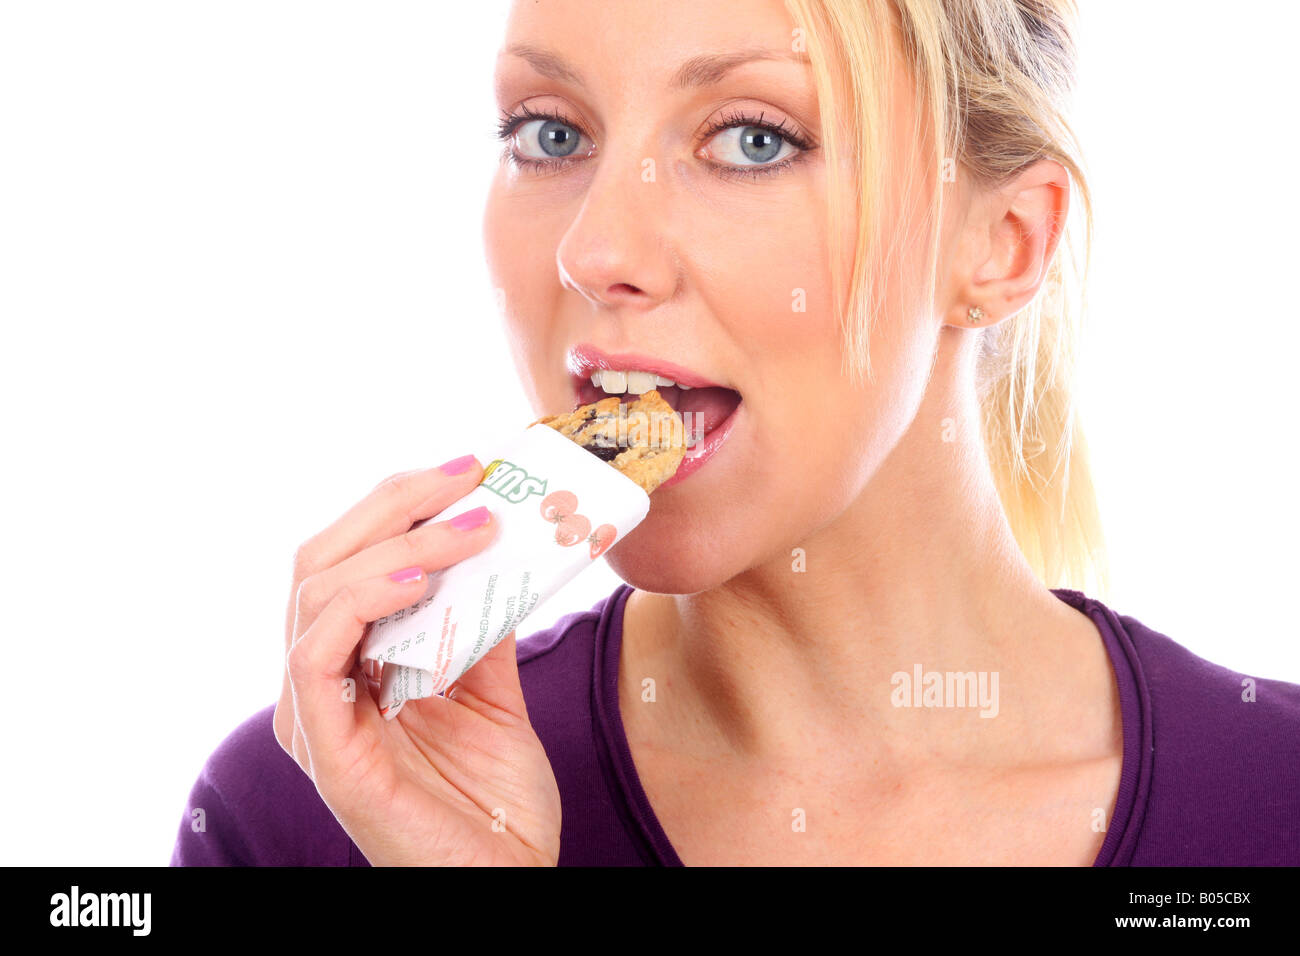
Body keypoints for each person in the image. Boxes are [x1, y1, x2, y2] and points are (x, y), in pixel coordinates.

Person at [171, 0, 1300, 866]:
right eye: (551, 131)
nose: (596, 249)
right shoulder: (307, 813)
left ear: (1000, 243)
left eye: (752, 140)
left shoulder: (1272, 798)